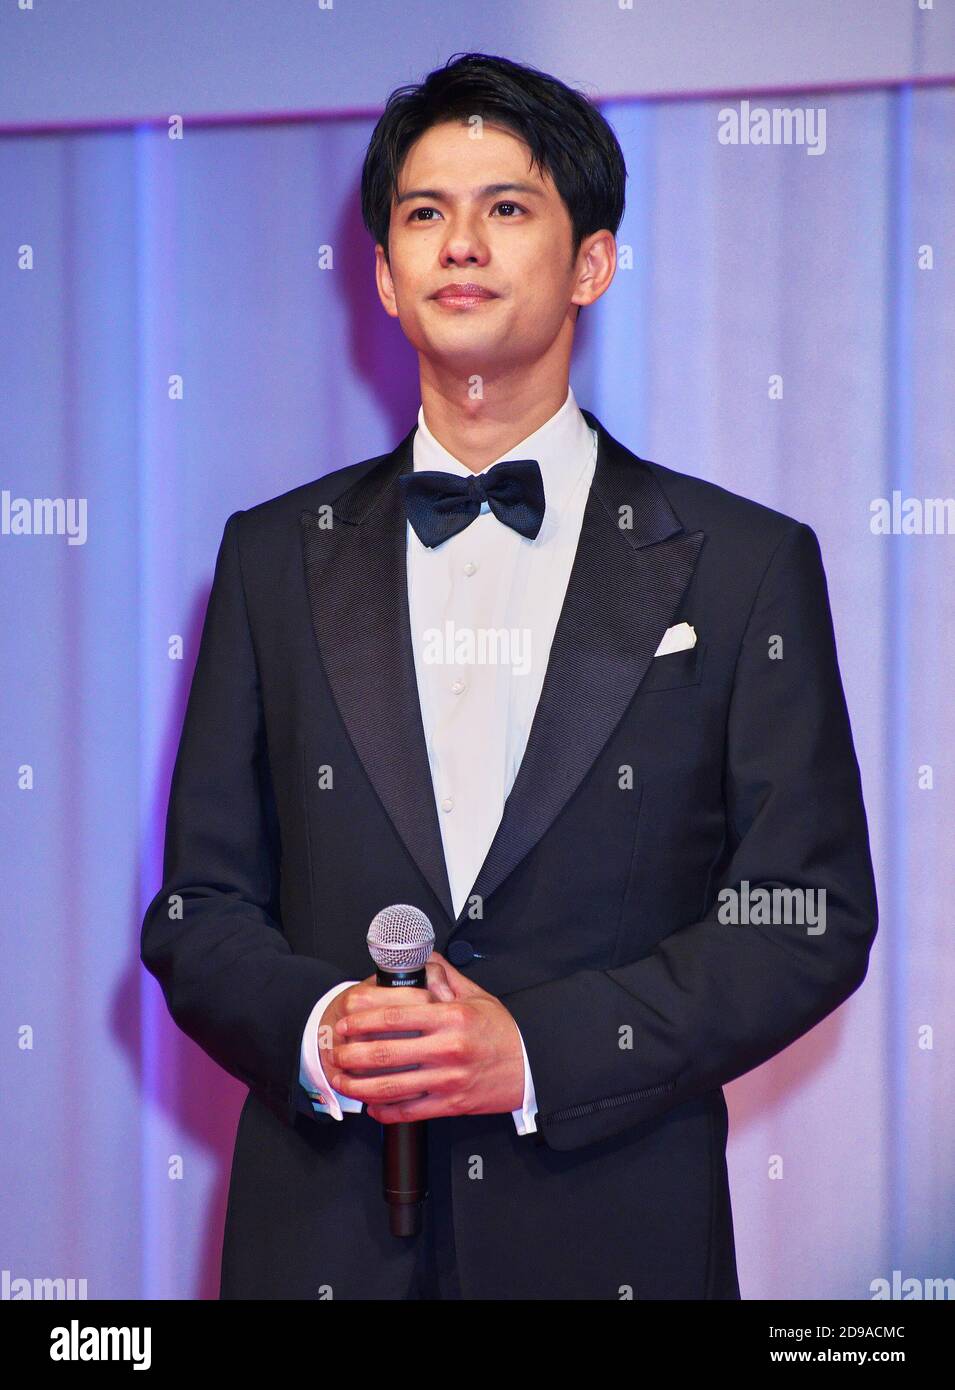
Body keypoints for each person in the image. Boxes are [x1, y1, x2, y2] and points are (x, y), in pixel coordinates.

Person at [141, 51, 878, 1300]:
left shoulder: (744, 565)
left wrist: (536, 1048)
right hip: (319, 1238)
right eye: (424, 214)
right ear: (381, 274)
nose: (459, 243)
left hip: (615, 1238)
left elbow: (805, 917)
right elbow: (197, 907)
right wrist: (325, 1032)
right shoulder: (270, 555)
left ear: (590, 260)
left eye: (507, 207)